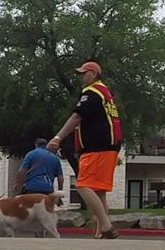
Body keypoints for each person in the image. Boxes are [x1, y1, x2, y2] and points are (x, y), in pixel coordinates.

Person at [47, 61, 121, 239]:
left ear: (94, 74)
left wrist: (57, 138)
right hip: (110, 146)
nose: (80, 77)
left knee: (82, 185)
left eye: (83, 73)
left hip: (97, 147)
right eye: (79, 73)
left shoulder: (92, 92)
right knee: (99, 191)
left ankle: (106, 226)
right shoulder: (105, 92)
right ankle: (100, 232)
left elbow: (76, 117)